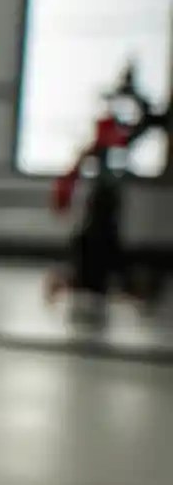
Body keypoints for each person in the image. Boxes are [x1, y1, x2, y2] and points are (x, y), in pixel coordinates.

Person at [46, 63, 166, 328]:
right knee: (96, 247)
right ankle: (92, 285)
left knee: (98, 247)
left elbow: (146, 123)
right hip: (102, 209)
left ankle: (124, 288)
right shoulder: (101, 147)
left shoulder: (111, 145)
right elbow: (74, 172)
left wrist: (131, 94)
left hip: (104, 209)